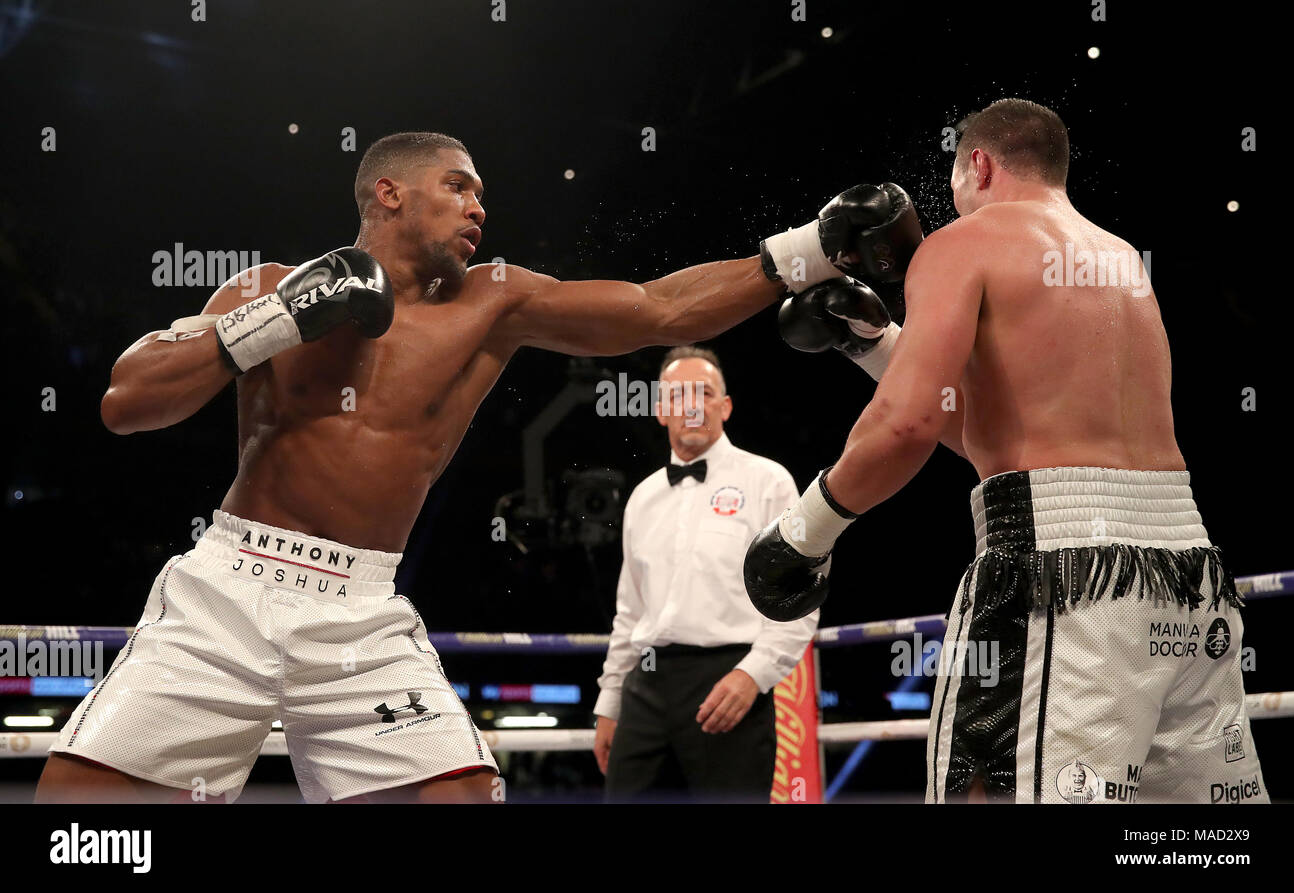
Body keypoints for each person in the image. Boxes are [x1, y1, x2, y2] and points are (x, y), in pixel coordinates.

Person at [35, 131, 893, 804]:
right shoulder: (270, 284)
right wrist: (277, 319)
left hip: (359, 607)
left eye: (481, 191)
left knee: (460, 793)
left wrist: (811, 248)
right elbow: (126, 399)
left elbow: (657, 308)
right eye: (459, 185)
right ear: (389, 191)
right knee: (83, 819)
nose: (480, 204)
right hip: (228, 586)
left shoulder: (495, 302)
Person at [745, 99, 1268, 804]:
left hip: (1060, 575)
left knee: (982, 792)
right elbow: (1002, 436)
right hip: (1191, 580)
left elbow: (907, 424)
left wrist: (804, 533)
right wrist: (877, 345)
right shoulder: (1120, 261)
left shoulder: (964, 242)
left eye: (955, 178)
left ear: (978, 163)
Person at [592, 347, 815, 802]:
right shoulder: (642, 498)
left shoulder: (769, 482)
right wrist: (610, 703)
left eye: (704, 393)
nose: (691, 405)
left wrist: (753, 674)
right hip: (646, 686)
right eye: (678, 395)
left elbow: (797, 597)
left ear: (725, 406)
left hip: (727, 679)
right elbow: (629, 612)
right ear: (660, 410)